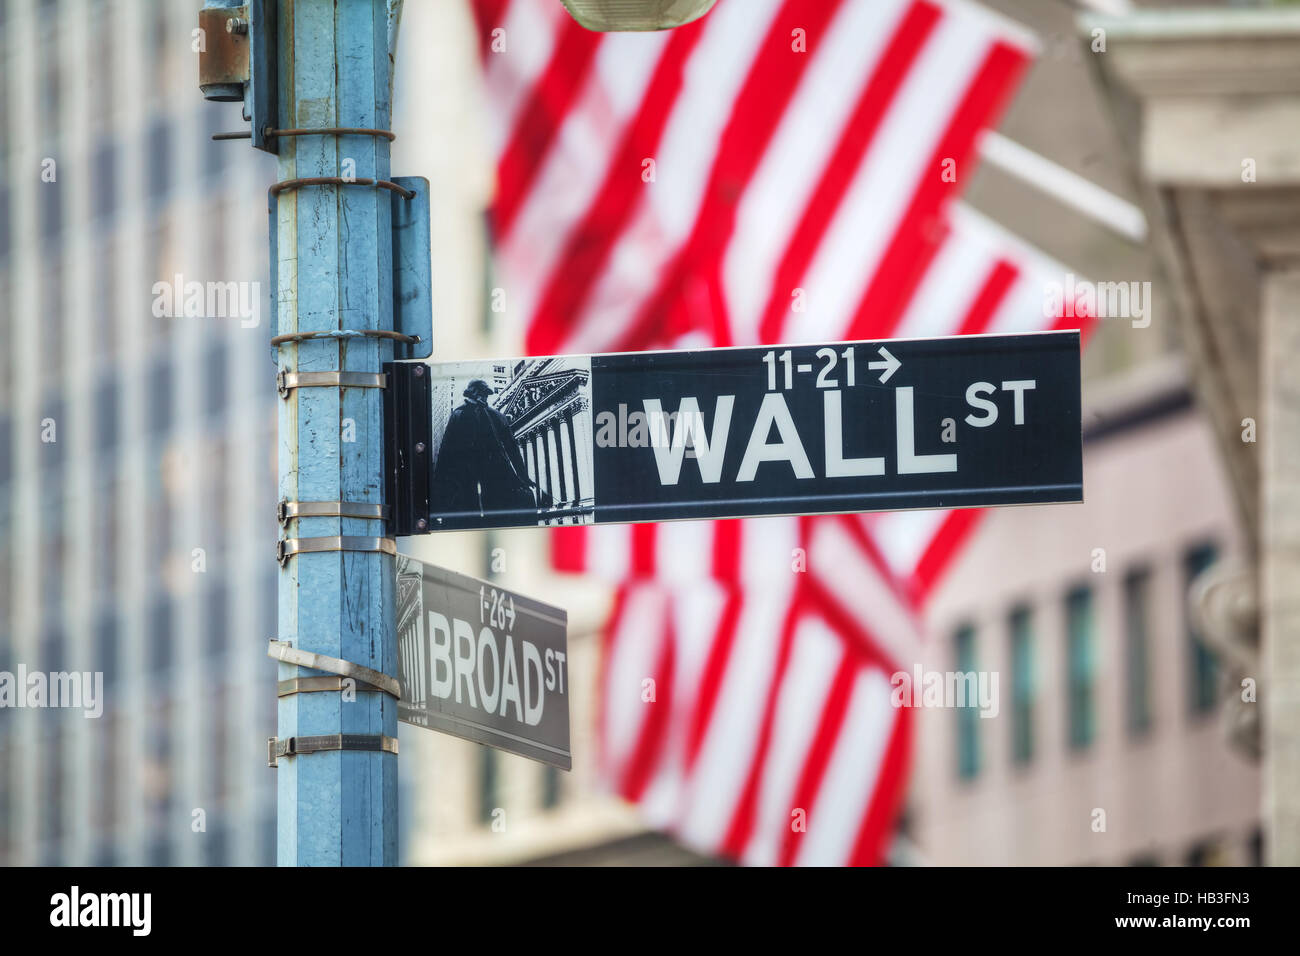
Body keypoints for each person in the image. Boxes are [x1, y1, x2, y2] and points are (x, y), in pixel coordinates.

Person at [430, 379, 539, 526]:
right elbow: (446, 451)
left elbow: (512, 449)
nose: (484, 398)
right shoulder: (459, 414)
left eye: (486, 395)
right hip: (467, 475)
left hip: (494, 473)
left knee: (497, 512)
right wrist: (439, 483)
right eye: (481, 394)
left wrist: (523, 476)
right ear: (472, 394)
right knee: (470, 513)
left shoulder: (496, 416)